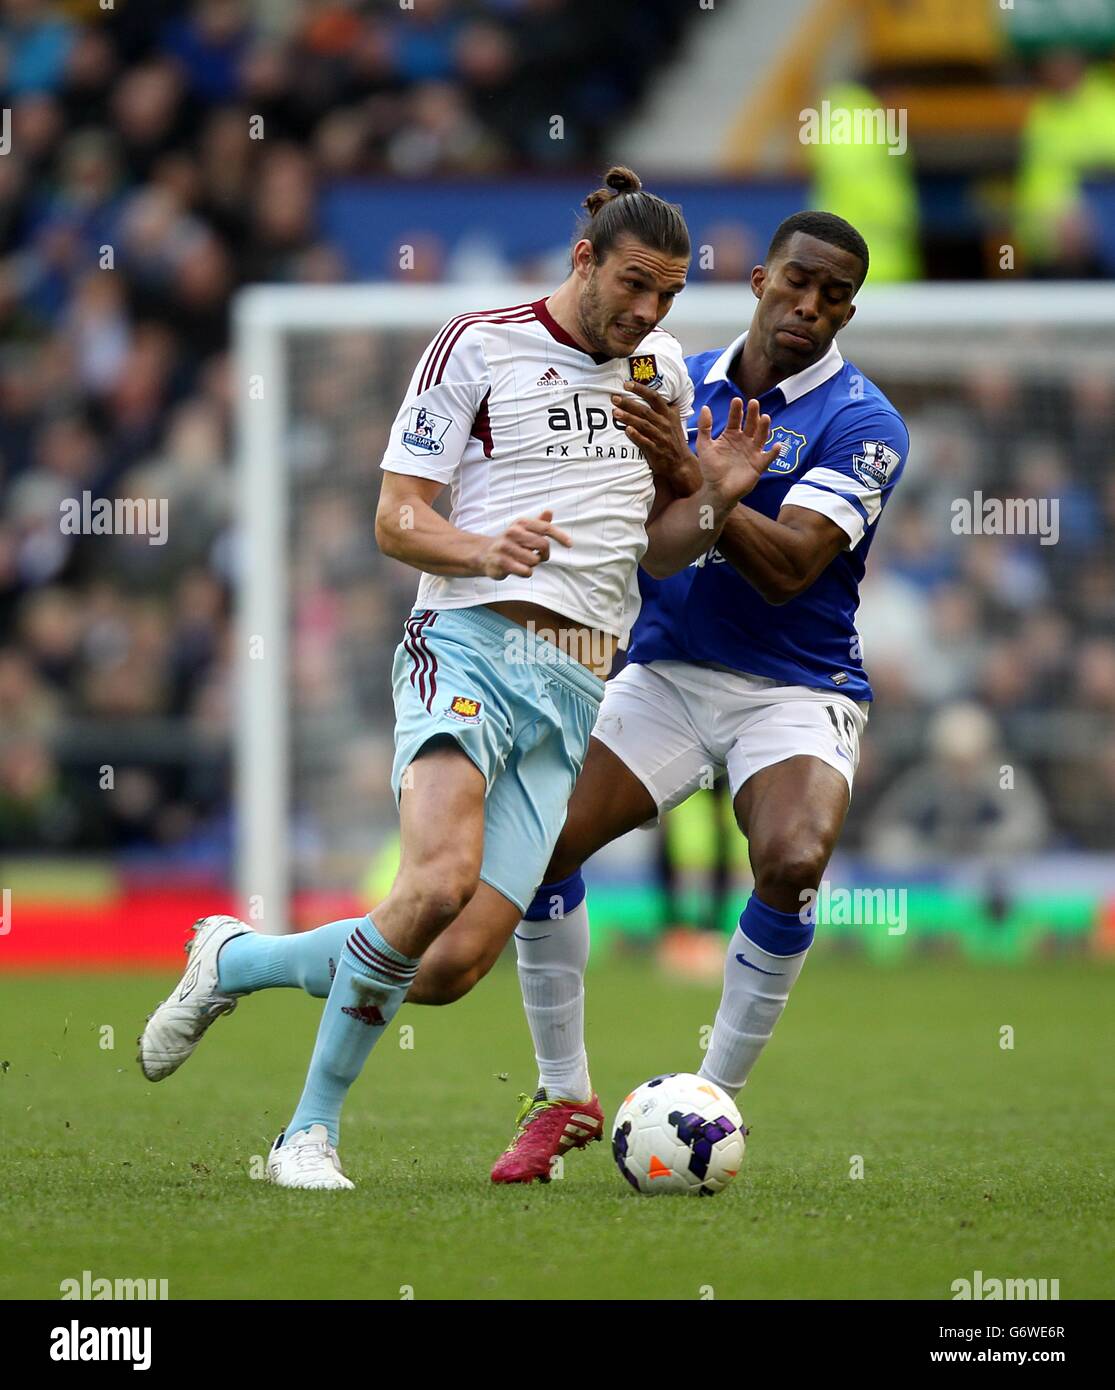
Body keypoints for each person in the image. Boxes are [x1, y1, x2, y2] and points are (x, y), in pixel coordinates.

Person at [137, 166, 780, 1189]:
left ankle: (234, 960)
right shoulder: (478, 343)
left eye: (667, 293)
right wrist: (480, 549)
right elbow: (395, 517)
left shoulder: (661, 373)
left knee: (443, 965)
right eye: (633, 285)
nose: (650, 311)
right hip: (470, 644)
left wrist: (710, 487)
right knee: (431, 882)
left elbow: (659, 552)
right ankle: (305, 1134)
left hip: (574, 686)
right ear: (584, 261)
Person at [412, 210, 911, 1182]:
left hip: (795, 686)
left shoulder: (861, 421)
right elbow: (634, 525)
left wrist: (698, 481)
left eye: (834, 294)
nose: (810, 305)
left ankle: (709, 1101)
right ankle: (562, 1096)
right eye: (797, 282)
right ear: (762, 278)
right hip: (667, 670)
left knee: (793, 858)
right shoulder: (672, 380)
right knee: (544, 840)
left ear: (848, 307)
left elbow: (792, 567)